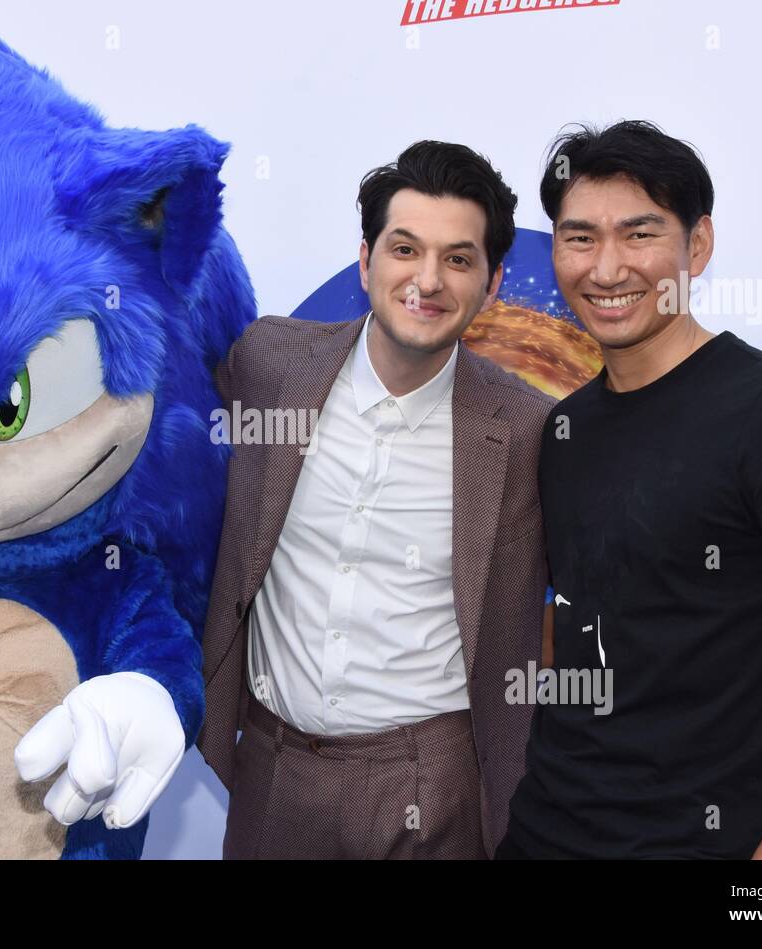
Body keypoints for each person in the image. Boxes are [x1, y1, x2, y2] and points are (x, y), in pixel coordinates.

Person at [499, 120, 762, 859]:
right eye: (579, 237)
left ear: (698, 246)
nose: (607, 267)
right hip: (540, 835)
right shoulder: (563, 429)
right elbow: (585, 629)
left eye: (639, 234)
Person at [198, 140, 553, 858]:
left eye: (458, 259)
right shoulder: (269, 366)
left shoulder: (524, 431)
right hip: (271, 768)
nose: (427, 279)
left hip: (430, 779)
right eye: (404, 249)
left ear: (492, 285)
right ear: (365, 262)